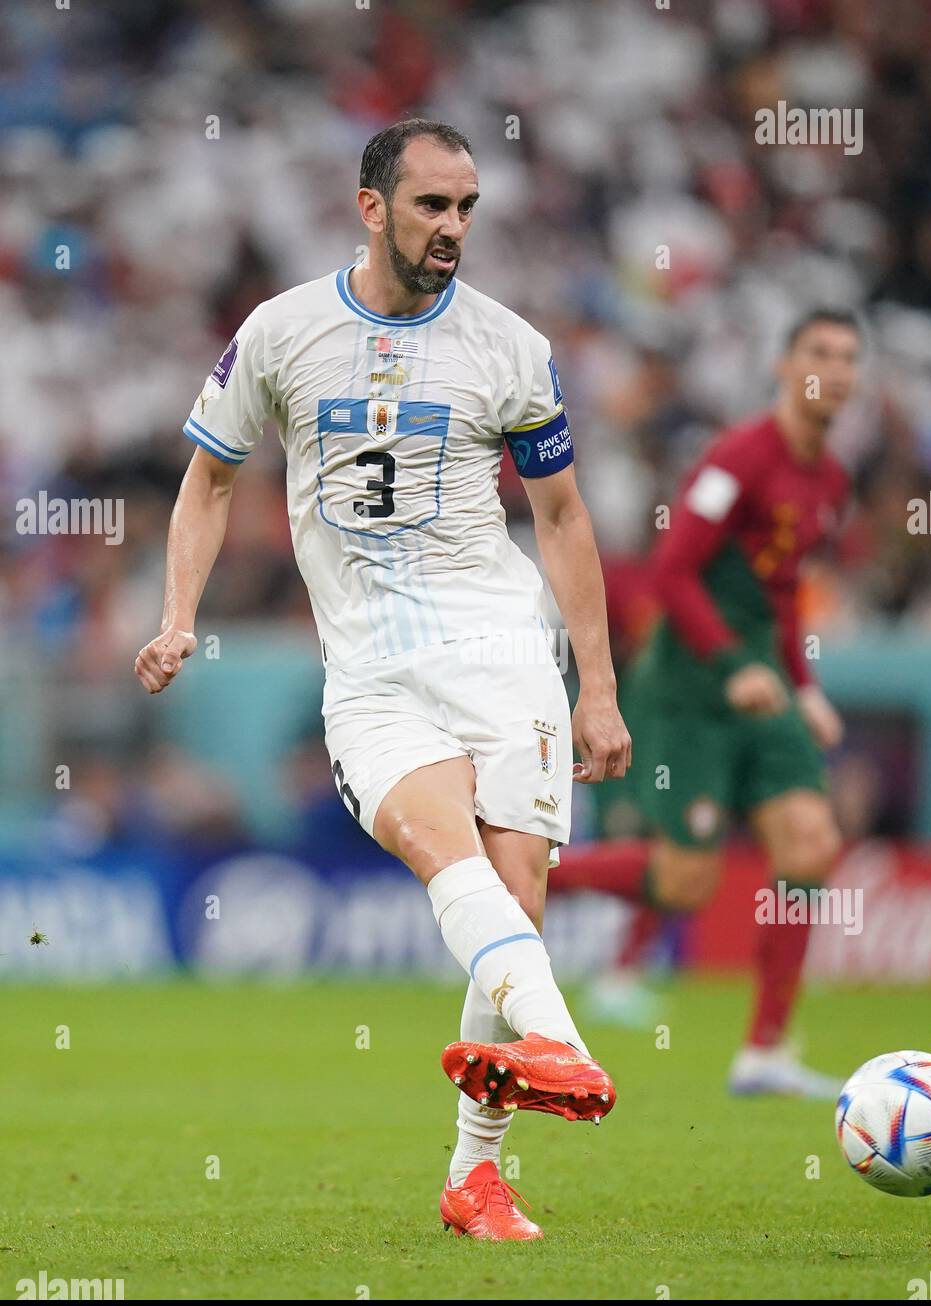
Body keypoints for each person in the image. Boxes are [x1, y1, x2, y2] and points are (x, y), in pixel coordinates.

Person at [134, 119, 631, 1242]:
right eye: (430, 206)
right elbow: (208, 484)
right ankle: (565, 1048)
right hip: (369, 667)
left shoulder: (510, 346)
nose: (452, 227)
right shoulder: (281, 333)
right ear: (371, 207)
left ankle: (474, 1177)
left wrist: (596, 686)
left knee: (515, 905)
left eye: (465, 207)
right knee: (440, 853)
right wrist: (177, 617)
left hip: (503, 645)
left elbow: (560, 516)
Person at [551, 310, 861, 1099]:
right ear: (786, 365)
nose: (836, 368)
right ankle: (532, 872)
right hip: (691, 686)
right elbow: (672, 573)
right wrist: (728, 664)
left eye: (849, 357)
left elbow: (784, 596)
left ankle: (765, 1051)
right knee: (687, 881)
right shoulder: (737, 458)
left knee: (809, 844)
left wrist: (807, 686)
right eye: (819, 351)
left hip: (763, 683)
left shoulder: (829, 479)